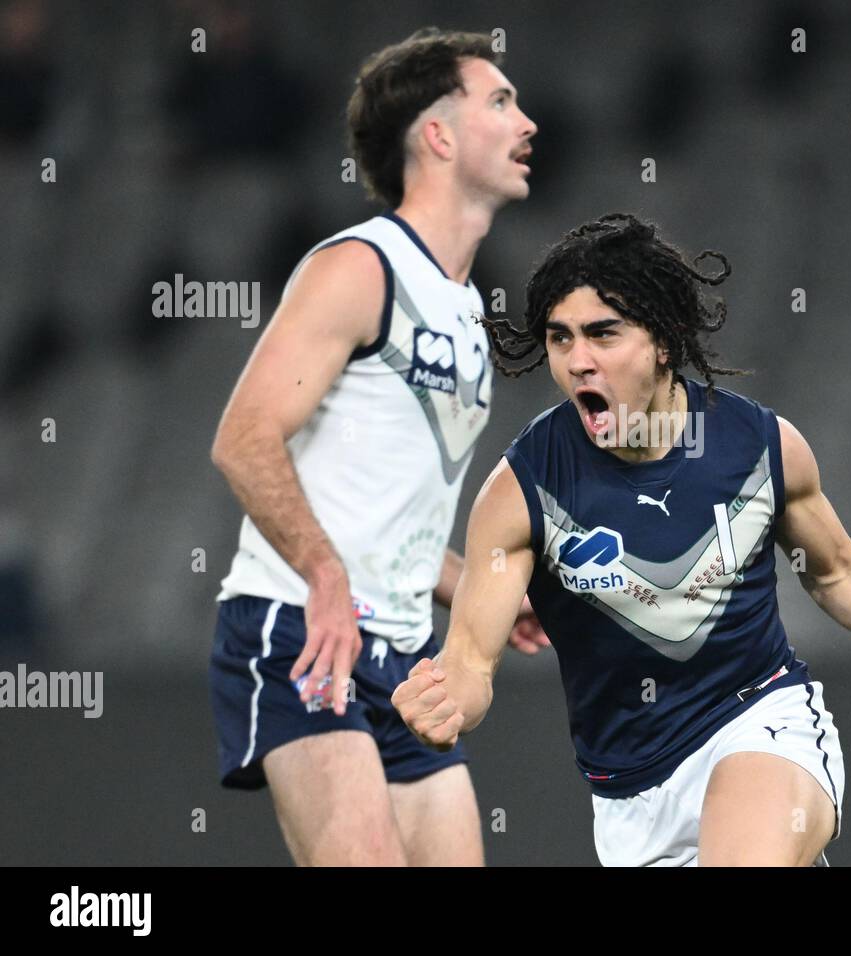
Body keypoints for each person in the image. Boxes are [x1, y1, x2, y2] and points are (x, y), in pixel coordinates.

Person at [392, 213, 851, 866]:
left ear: (662, 342)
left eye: (603, 334)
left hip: (762, 725)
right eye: (561, 339)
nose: (578, 359)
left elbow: (838, 573)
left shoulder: (760, 448)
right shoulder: (523, 490)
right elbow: (471, 659)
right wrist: (447, 705)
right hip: (630, 802)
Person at [208, 27, 544, 866]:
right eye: (500, 102)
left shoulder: (467, 311)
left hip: (402, 657)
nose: (526, 121)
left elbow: (391, 522)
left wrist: (478, 590)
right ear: (437, 135)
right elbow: (244, 439)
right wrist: (324, 574)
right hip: (301, 630)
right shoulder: (363, 268)